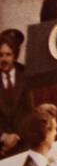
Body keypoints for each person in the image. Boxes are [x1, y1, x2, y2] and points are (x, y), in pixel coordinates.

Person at [0, 29, 33, 157]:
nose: (4, 59)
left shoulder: (25, 75)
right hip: (2, 147)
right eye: (1, 55)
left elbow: (30, 112)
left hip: (22, 142)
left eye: (8, 55)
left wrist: (17, 136)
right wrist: (3, 137)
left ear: (15, 56)